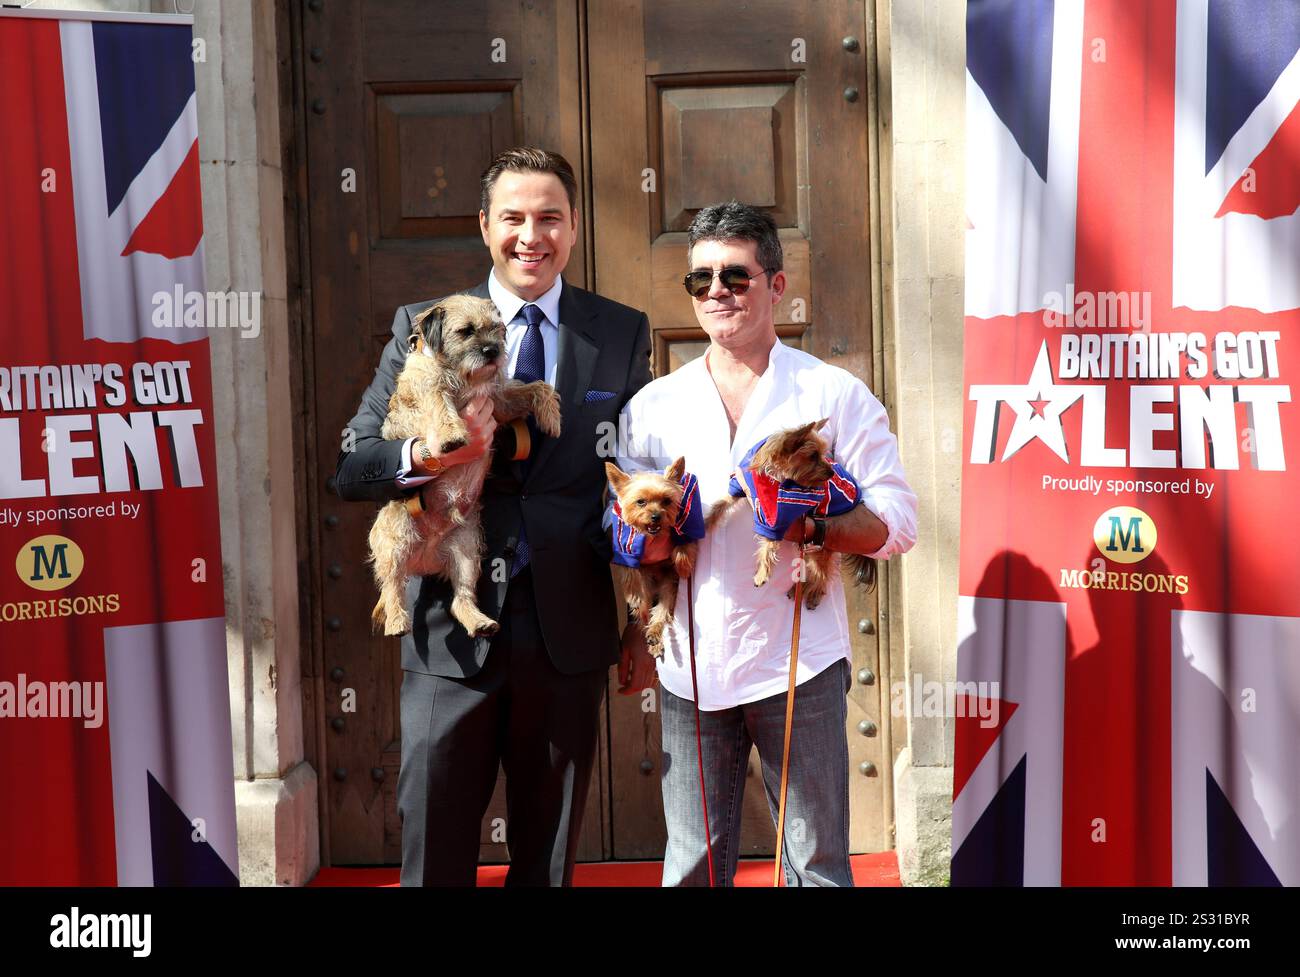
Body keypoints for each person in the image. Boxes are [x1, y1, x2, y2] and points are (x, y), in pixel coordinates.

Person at [335, 147, 652, 886]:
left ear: (574, 227)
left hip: (568, 635)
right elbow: (352, 465)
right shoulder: (422, 325)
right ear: (485, 225)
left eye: (550, 218)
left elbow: (639, 478)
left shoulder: (620, 331)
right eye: (513, 218)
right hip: (450, 635)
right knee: (434, 863)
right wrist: (432, 454)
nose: (530, 236)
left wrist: (643, 615)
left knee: (546, 866)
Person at [614, 200, 918, 886]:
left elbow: (898, 522)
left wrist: (809, 523)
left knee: (814, 865)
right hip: (689, 665)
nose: (716, 292)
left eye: (735, 276)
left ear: (776, 285)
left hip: (798, 664)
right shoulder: (652, 407)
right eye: (701, 280)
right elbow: (632, 539)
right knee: (693, 865)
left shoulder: (832, 393)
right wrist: (640, 578)